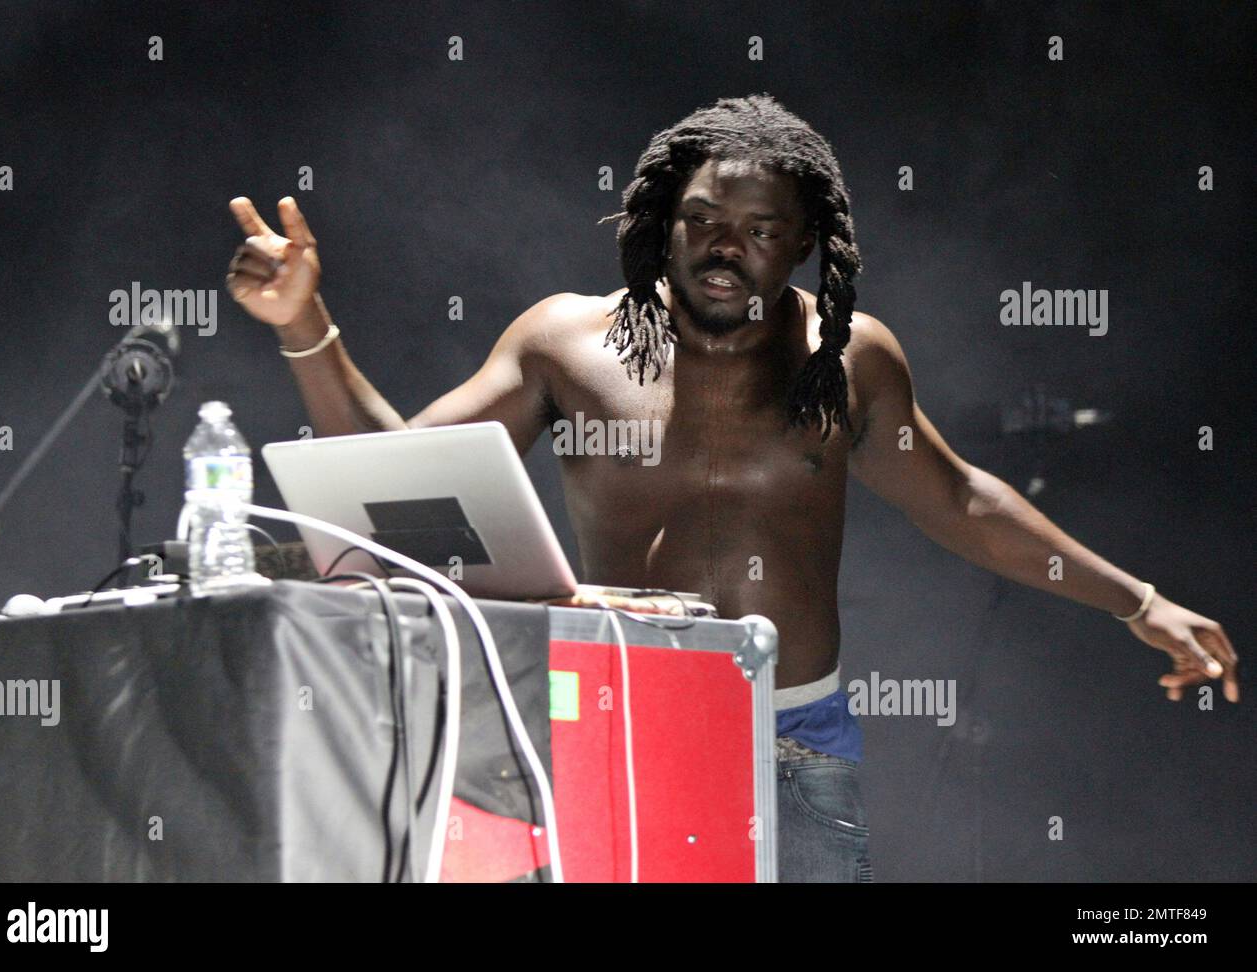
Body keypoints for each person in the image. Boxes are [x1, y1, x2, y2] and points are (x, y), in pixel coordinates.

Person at [224, 94, 1239, 882]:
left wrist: (1136, 599)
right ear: (663, 221)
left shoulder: (849, 359)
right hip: (612, 718)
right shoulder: (563, 341)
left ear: (801, 245)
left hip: (794, 740)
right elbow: (395, 484)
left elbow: (959, 497)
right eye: (703, 218)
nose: (724, 246)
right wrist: (303, 329)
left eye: (758, 228)